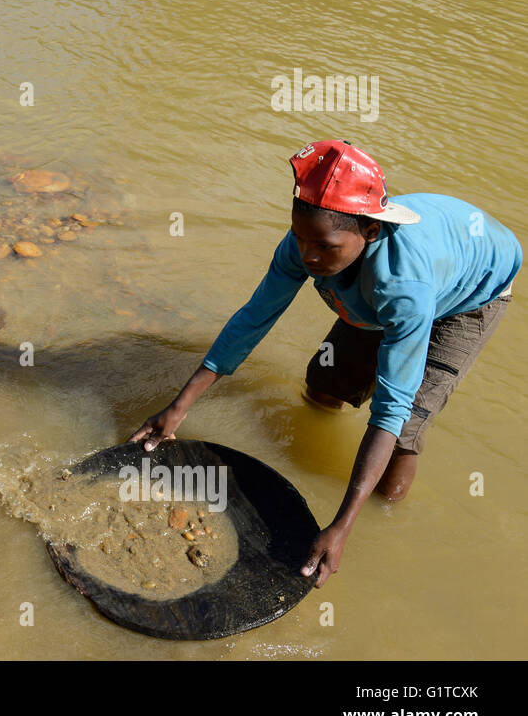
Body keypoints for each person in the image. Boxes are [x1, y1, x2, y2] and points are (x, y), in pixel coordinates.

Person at [130, 140, 520, 587]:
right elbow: (253, 320)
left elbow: (390, 410)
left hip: (472, 295)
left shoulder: (402, 289)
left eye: (324, 246)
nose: (309, 257)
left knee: (406, 427)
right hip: (382, 279)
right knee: (324, 382)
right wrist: (179, 407)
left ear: (370, 231)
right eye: (300, 238)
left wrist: (341, 525)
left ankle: (380, 518)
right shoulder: (312, 245)